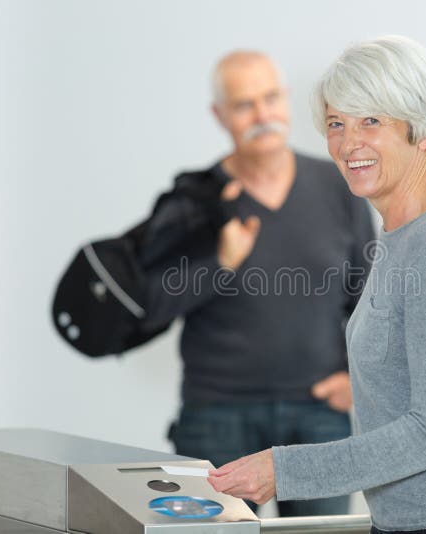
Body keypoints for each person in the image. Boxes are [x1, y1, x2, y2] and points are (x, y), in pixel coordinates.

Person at [207, 36, 426, 533]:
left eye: (371, 121)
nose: (348, 143)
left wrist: (284, 471)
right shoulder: (405, 233)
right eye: (337, 124)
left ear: (422, 129)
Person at [144, 51, 375, 516]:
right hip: (215, 417)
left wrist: (359, 378)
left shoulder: (338, 186)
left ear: (286, 100)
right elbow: (153, 305)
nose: (262, 115)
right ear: (220, 115)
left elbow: (371, 298)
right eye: (244, 104)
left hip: (318, 418)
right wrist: (220, 262)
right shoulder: (193, 199)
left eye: (270, 97)